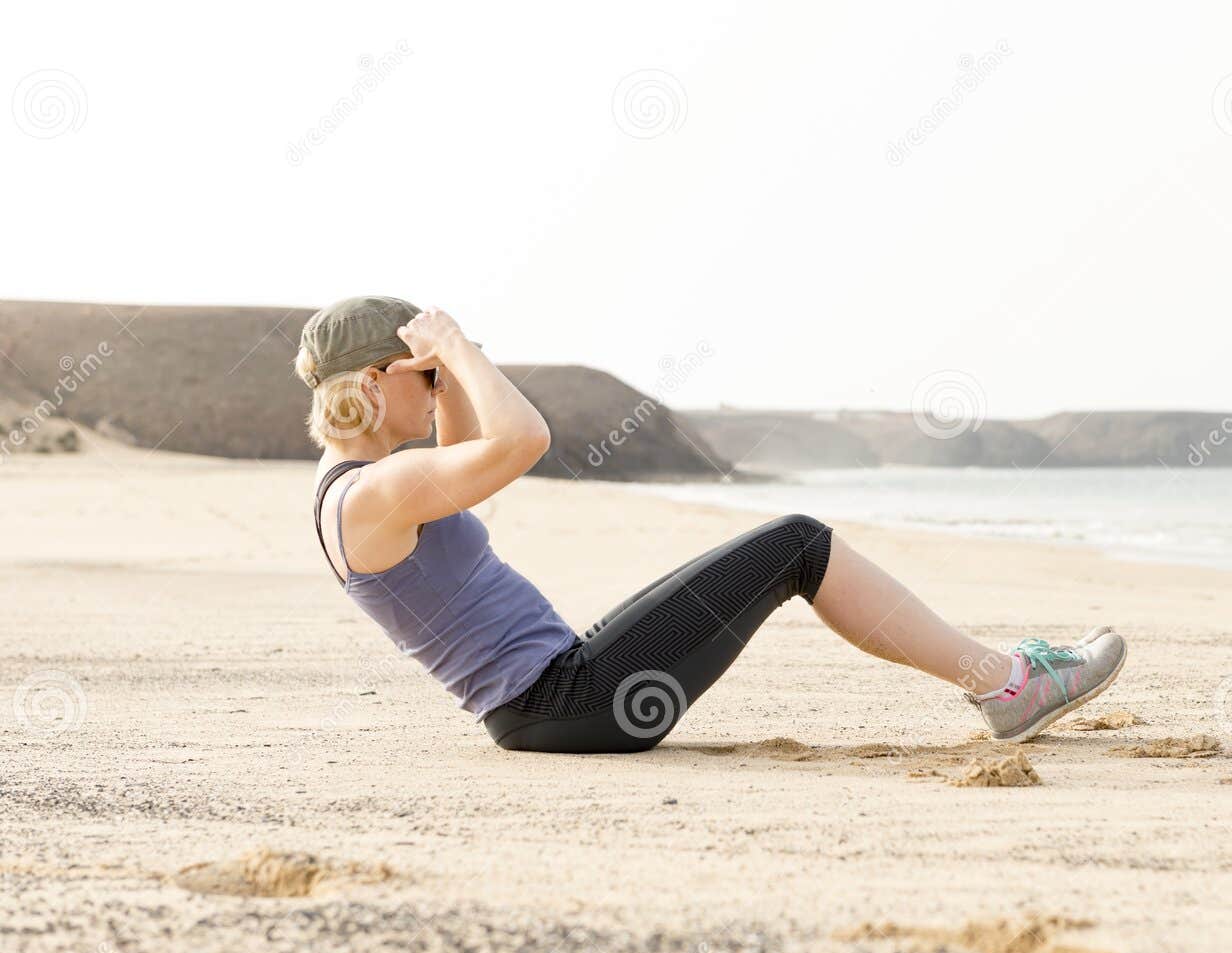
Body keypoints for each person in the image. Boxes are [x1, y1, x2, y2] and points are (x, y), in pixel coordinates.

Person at [297, 296, 1126, 754]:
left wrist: (445, 375)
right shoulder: (375, 492)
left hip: (553, 699)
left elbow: (470, 465)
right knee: (797, 541)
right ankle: (1009, 685)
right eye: (425, 378)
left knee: (784, 545)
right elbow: (524, 441)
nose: (438, 388)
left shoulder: (357, 490)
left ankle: (1004, 680)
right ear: (378, 380)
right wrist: (461, 345)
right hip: (571, 704)